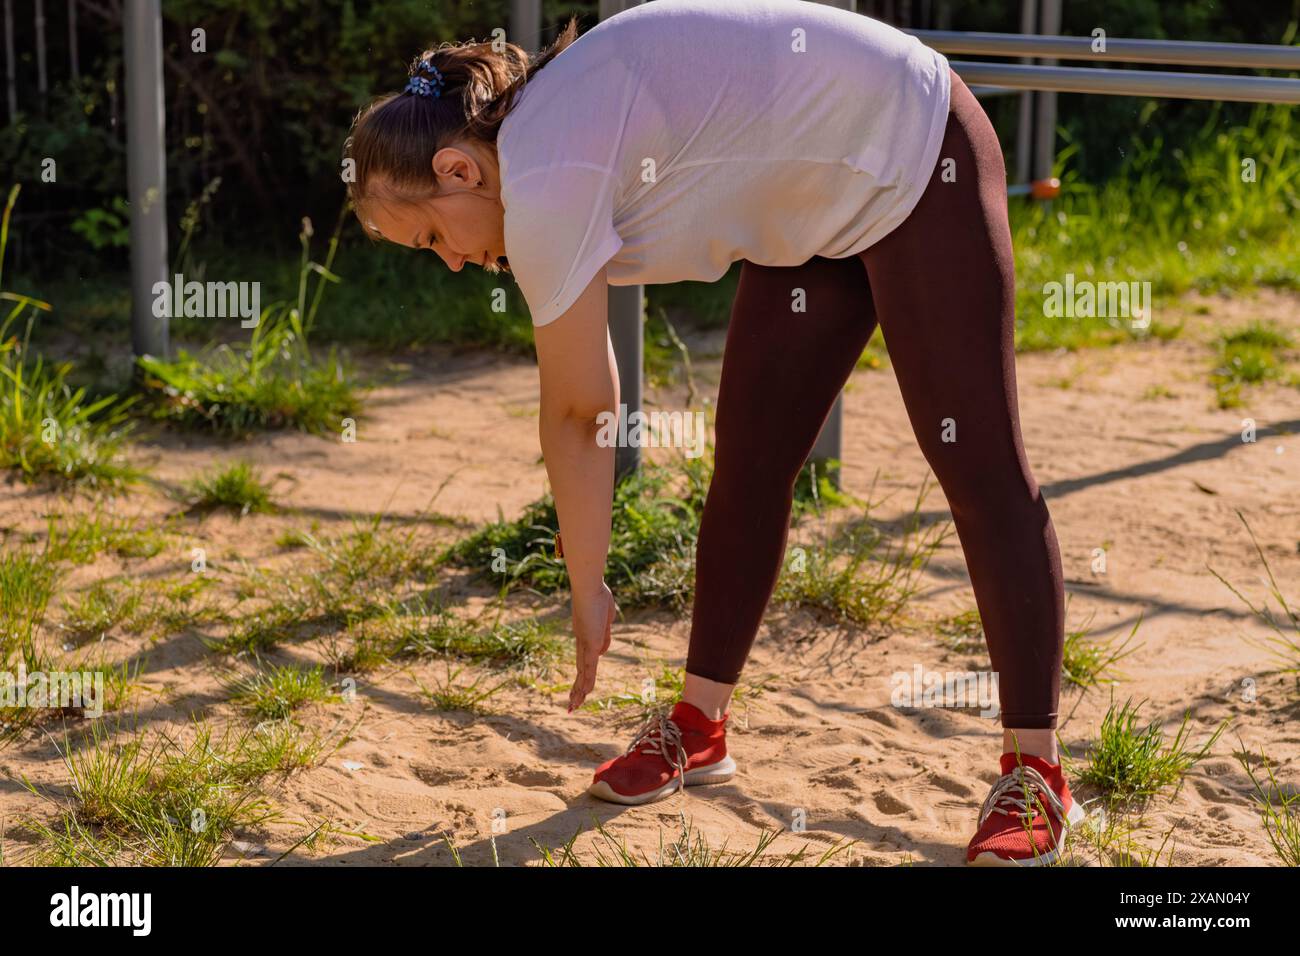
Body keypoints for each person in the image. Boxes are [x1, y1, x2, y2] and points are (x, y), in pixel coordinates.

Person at [343, 0, 1081, 866]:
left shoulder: (543, 168)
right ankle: (700, 724)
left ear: (458, 169)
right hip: (810, 205)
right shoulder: (538, 147)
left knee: (977, 462)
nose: (454, 263)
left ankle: (1037, 771)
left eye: (432, 237)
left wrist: (586, 590)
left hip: (911, 147)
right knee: (752, 463)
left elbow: (581, 412)